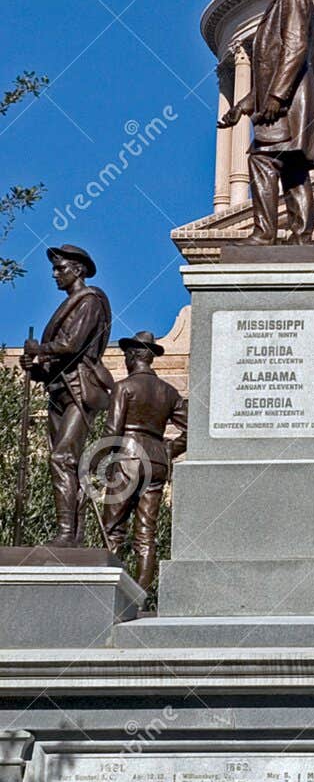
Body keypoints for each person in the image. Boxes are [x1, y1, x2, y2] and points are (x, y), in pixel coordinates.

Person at [218, 0, 314, 243]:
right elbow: (270, 64)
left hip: (288, 101)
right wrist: (244, 104)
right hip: (286, 96)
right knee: (292, 169)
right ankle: (301, 236)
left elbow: (295, 47)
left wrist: (276, 97)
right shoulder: (282, 1)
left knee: (263, 160)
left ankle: (265, 233)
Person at [20, 246, 112, 545]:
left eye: (60, 268)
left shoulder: (90, 301)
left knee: (62, 457)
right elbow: (60, 358)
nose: (54, 274)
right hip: (59, 389)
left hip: (79, 390)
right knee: (66, 462)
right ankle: (75, 534)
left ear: (78, 270)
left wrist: (39, 350)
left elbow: (72, 345)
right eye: (55, 268)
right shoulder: (71, 303)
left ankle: (65, 534)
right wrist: (36, 370)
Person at [101, 331, 188, 593]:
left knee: (113, 528)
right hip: (157, 461)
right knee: (146, 532)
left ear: (133, 356)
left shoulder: (124, 387)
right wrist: (168, 450)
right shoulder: (169, 392)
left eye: (127, 353)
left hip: (127, 457)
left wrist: (96, 465)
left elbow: (112, 432)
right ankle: (141, 595)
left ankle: (109, 592)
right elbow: (194, 430)